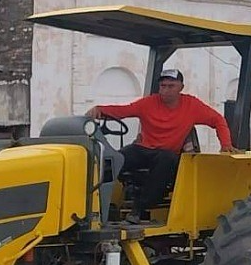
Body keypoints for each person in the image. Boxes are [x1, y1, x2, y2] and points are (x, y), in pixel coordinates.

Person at [86, 67, 234, 217]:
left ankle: (140, 208)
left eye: (171, 86)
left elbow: (218, 120)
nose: (166, 90)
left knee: (166, 159)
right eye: (163, 86)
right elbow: (123, 111)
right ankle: (100, 204)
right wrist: (100, 110)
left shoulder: (192, 105)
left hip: (167, 154)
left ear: (181, 87)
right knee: (114, 159)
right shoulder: (148, 103)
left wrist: (226, 145)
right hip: (143, 149)